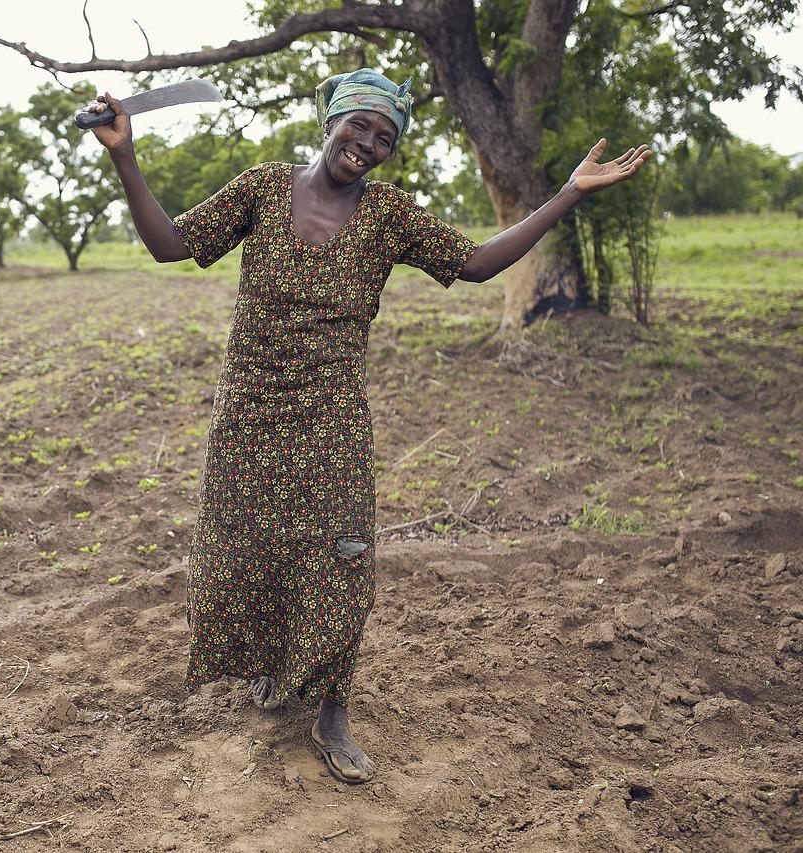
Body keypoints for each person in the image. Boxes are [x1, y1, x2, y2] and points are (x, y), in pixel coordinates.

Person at [84, 68, 651, 784]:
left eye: (385, 137)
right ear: (330, 121)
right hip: (251, 414)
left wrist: (568, 192)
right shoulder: (262, 189)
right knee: (245, 552)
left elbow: (474, 264)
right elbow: (170, 244)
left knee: (340, 560)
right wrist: (123, 155)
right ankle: (273, 664)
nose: (369, 144)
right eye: (360, 126)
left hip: (331, 420)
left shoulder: (387, 215)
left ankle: (331, 712)